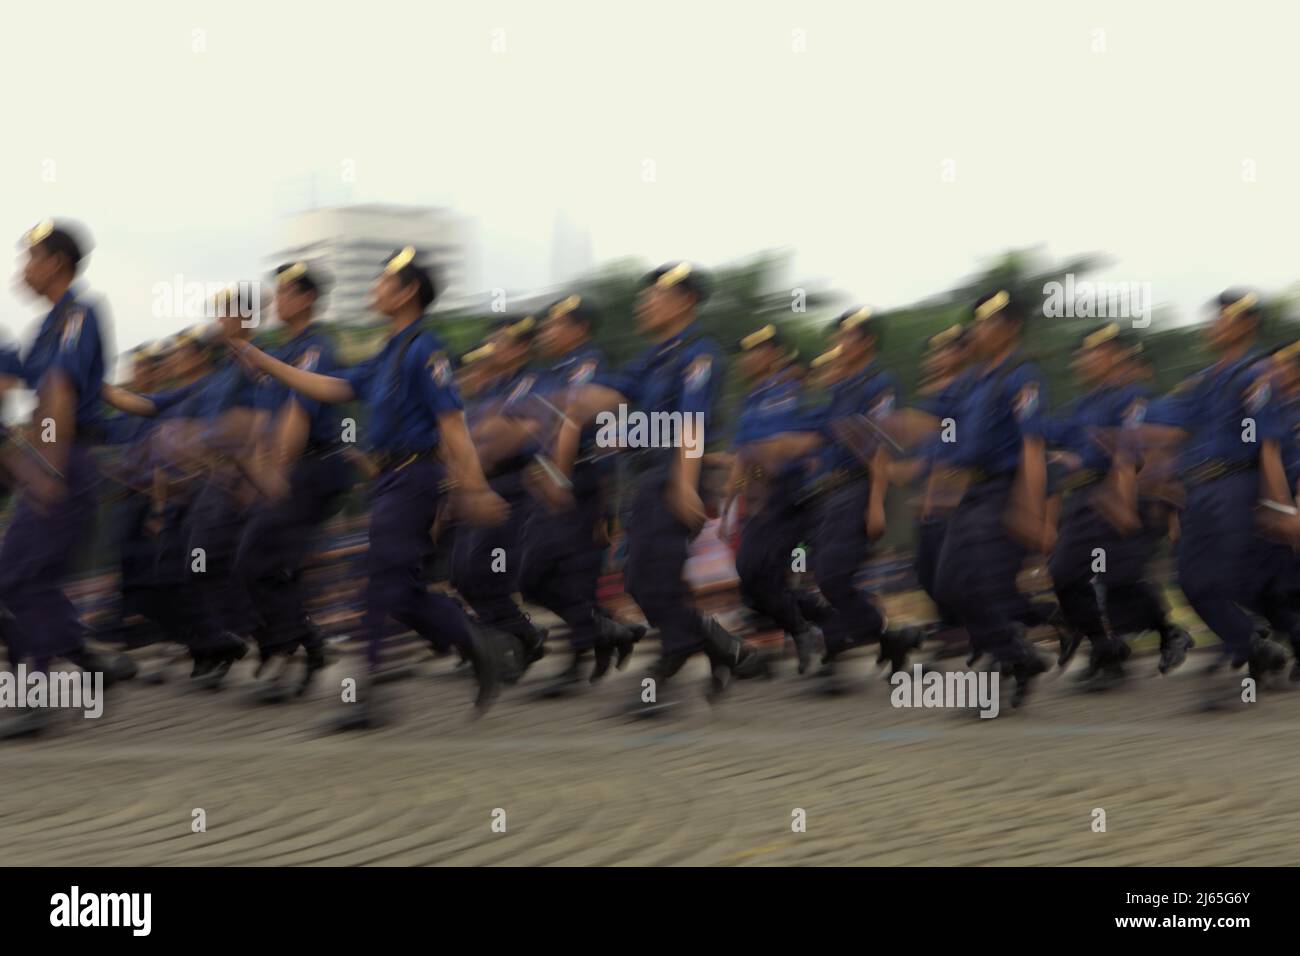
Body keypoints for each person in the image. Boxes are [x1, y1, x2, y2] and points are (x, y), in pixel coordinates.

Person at [227, 247, 506, 726]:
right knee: (400, 589)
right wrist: (253, 353)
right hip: (390, 480)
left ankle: (368, 697)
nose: (374, 289)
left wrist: (475, 487)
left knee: (380, 584)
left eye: (383, 282)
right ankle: (476, 640)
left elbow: (453, 423)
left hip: (415, 477)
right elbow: (327, 386)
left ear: (408, 292)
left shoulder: (425, 350)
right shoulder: (387, 351)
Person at [0, 219, 134, 738]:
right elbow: (14, 374)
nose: (23, 270)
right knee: (29, 576)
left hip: (64, 463)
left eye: (29, 258)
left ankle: (36, 697)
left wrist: (46, 467)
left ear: (54, 263)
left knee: (17, 581)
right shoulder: (49, 325)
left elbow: (58, 388)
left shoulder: (79, 315)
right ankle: (89, 662)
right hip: (54, 461)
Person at [1141, 290, 1290, 696]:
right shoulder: (1205, 380)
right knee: (1189, 579)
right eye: (1214, 318)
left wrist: (1279, 505)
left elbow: (1268, 444)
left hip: (1236, 484)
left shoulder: (1257, 374)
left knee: (1225, 576)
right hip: (1199, 489)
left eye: (1224, 318)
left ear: (1246, 324)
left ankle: (1241, 657)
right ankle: (1255, 647)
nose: (1214, 325)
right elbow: (1170, 429)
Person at [235, 262, 354, 702]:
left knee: (264, 560)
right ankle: (304, 645)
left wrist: (277, 473)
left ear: (306, 299)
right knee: (259, 560)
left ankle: (289, 652)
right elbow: (266, 420)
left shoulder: (315, 349)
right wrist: (257, 470)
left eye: (286, 292)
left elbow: (297, 416)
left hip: (312, 468)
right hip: (287, 468)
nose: (278, 300)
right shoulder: (278, 353)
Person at [931, 290, 1051, 707]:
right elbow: (952, 438)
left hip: (1004, 488)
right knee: (947, 584)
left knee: (983, 582)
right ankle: (1016, 653)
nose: (979, 331)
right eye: (978, 324)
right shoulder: (972, 381)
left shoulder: (1022, 375)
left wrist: (1031, 509)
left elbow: (1033, 446)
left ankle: (1006, 661)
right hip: (972, 492)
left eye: (989, 324)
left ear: (1011, 328)